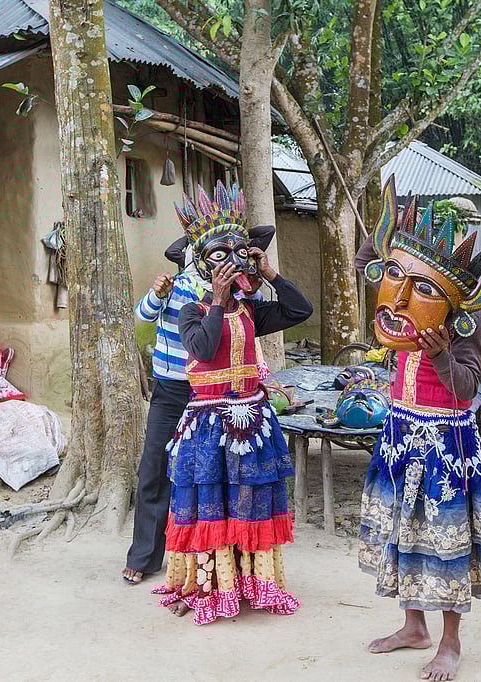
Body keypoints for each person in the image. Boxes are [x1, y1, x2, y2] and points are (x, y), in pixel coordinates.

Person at [355, 178, 481, 681]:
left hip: (445, 445)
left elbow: (467, 385)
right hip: (400, 435)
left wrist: (441, 352)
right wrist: (392, 226)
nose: (405, 292)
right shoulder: (401, 299)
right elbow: (369, 264)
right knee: (400, 533)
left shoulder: (472, 319)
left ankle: (449, 643)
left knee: (445, 542)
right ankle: (413, 626)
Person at [152, 182, 312, 625]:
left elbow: (300, 311)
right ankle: (209, 583)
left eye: (240, 252)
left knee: (246, 498)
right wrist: (219, 302)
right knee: (211, 502)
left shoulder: (252, 311)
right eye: (220, 255)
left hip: (249, 418)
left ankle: (247, 581)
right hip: (207, 424)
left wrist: (271, 275)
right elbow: (202, 351)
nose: (232, 262)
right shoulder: (191, 312)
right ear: (202, 265)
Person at [122, 225, 275, 585]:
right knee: (154, 470)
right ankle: (144, 556)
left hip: (209, 395)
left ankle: (208, 562)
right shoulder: (174, 288)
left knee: (210, 477)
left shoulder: (228, 289)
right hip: (172, 391)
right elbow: (142, 316)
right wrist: (158, 294)